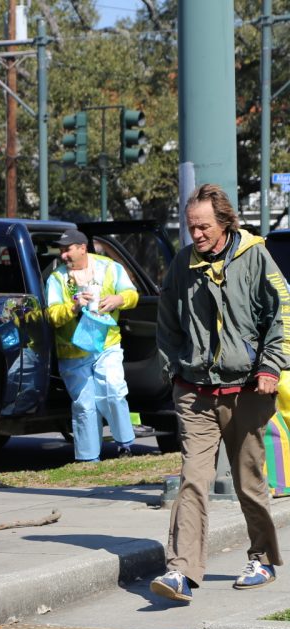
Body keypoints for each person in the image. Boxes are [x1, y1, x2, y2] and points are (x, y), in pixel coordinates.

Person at [150, 184, 289, 603]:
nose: (197, 234)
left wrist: (270, 365)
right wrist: (174, 370)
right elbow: (166, 320)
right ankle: (181, 571)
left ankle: (262, 558)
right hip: (196, 392)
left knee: (249, 484)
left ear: (225, 222)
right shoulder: (182, 264)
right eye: (192, 227)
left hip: (247, 389)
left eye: (204, 226)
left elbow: (281, 312)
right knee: (193, 479)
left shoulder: (254, 257)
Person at [43, 229, 139, 462]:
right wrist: (74, 307)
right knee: (85, 405)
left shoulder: (110, 268)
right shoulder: (56, 279)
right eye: (62, 250)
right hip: (72, 351)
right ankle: (88, 459)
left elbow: (132, 295)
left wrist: (118, 300)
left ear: (82, 248)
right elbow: (52, 315)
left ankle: (125, 443)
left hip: (107, 344)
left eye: (68, 250)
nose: (63, 255)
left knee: (114, 390)